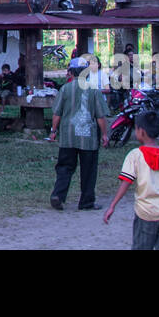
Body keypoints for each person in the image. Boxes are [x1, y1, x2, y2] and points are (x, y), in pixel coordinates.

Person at [103, 109, 159, 249]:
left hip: (145, 214)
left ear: (141, 132)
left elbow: (126, 182)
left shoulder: (135, 156)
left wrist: (112, 206)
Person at [48, 56, 108, 211]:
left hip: (68, 136)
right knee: (89, 170)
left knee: (64, 167)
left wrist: (53, 131)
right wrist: (104, 135)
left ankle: (58, 196)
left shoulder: (65, 89)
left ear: (71, 72)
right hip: (88, 139)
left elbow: (57, 114)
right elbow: (100, 116)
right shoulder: (94, 89)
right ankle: (86, 202)